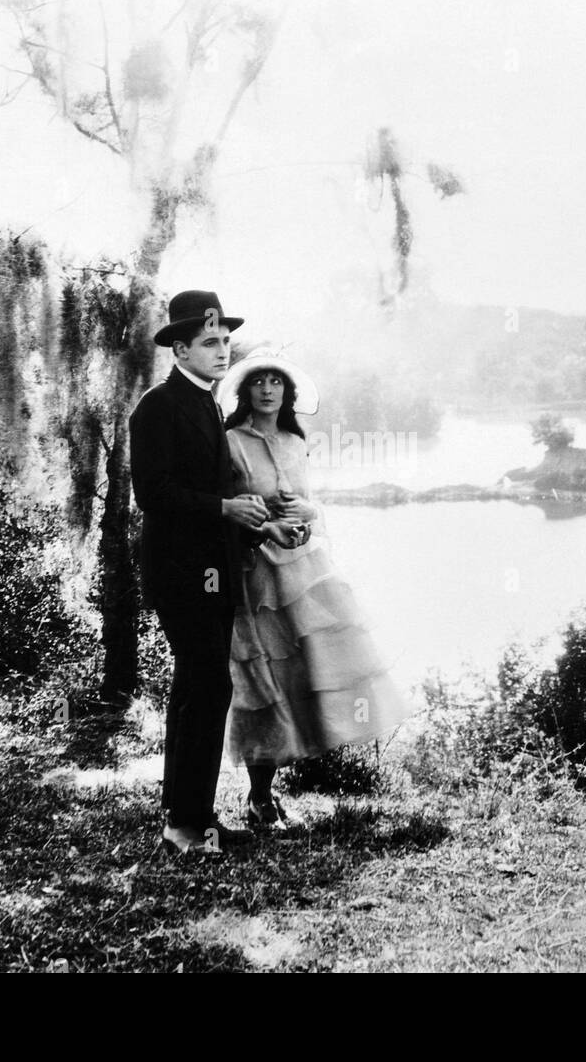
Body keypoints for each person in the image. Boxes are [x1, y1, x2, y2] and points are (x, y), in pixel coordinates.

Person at [218, 347, 412, 827]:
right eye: (258, 382)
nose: (267, 390)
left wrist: (307, 514)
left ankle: (287, 782)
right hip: (255, 573)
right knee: (264, 676)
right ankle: (259, 797)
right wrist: (263, 524)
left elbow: (307, 503)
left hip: (302, 572)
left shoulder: (294, 441)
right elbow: (223, 508)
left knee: (310, 669)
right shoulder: (231, 442)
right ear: (244, 391)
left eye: (275, 382)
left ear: (287, 392)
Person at [128, 291, 277, 856]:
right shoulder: (159, 406)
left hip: (214, 572)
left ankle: (192, 817)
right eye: (210, 342)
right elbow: (153, 494)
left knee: (203, 689)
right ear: (181, 350)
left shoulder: (208, 405)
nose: (222, 352)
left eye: (225, 342)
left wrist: (260, 525)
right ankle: (183, 825)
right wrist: (224, 508)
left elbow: (216, 499)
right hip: (181, 574)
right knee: (204, 687)